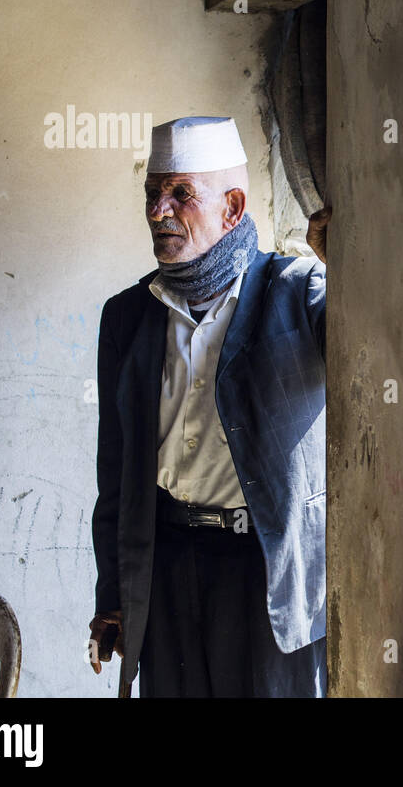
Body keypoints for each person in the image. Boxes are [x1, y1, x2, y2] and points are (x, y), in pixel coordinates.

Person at [88, 116, 332, 696]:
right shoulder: (128, 317)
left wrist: (347, 262)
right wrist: (115, 597)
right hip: (168, 569)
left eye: (180, 194)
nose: (158, 212)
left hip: (266, 571)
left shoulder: (297, 290)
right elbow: (115, 475)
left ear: (233, 206)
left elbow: (378, 344)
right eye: (152, 194)